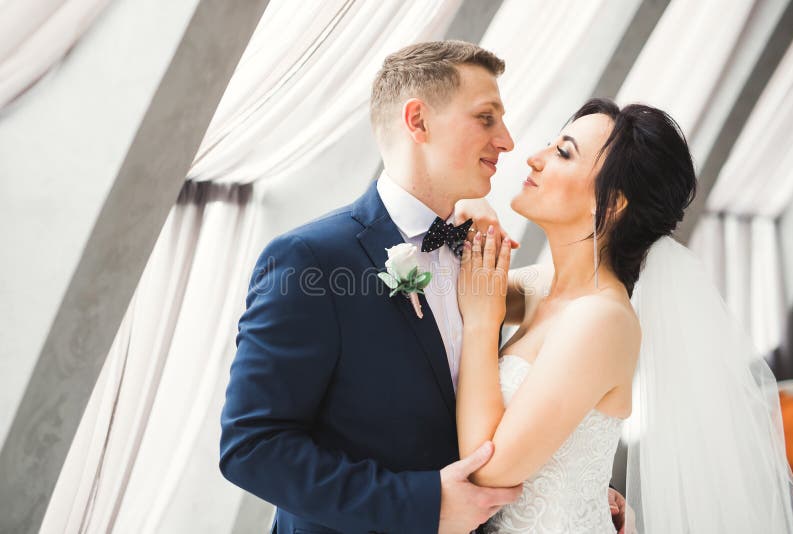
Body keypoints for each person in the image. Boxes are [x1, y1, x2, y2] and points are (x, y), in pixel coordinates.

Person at [221, 40, 632, 534]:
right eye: (485, 118)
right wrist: (421, 503)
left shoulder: (481, 256)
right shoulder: (310, 260)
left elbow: (513, 412)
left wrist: (577, 487)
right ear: (418, 122)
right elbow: (251, 446)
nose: (507, 141)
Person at [455, 98, 793, 532]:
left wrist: (483, 325)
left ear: (611, 204)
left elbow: (486, 471)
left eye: (563, 153)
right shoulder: (541, 286)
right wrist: (466, 209)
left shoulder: (603, 320)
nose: (534, 158)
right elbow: (453, 291)